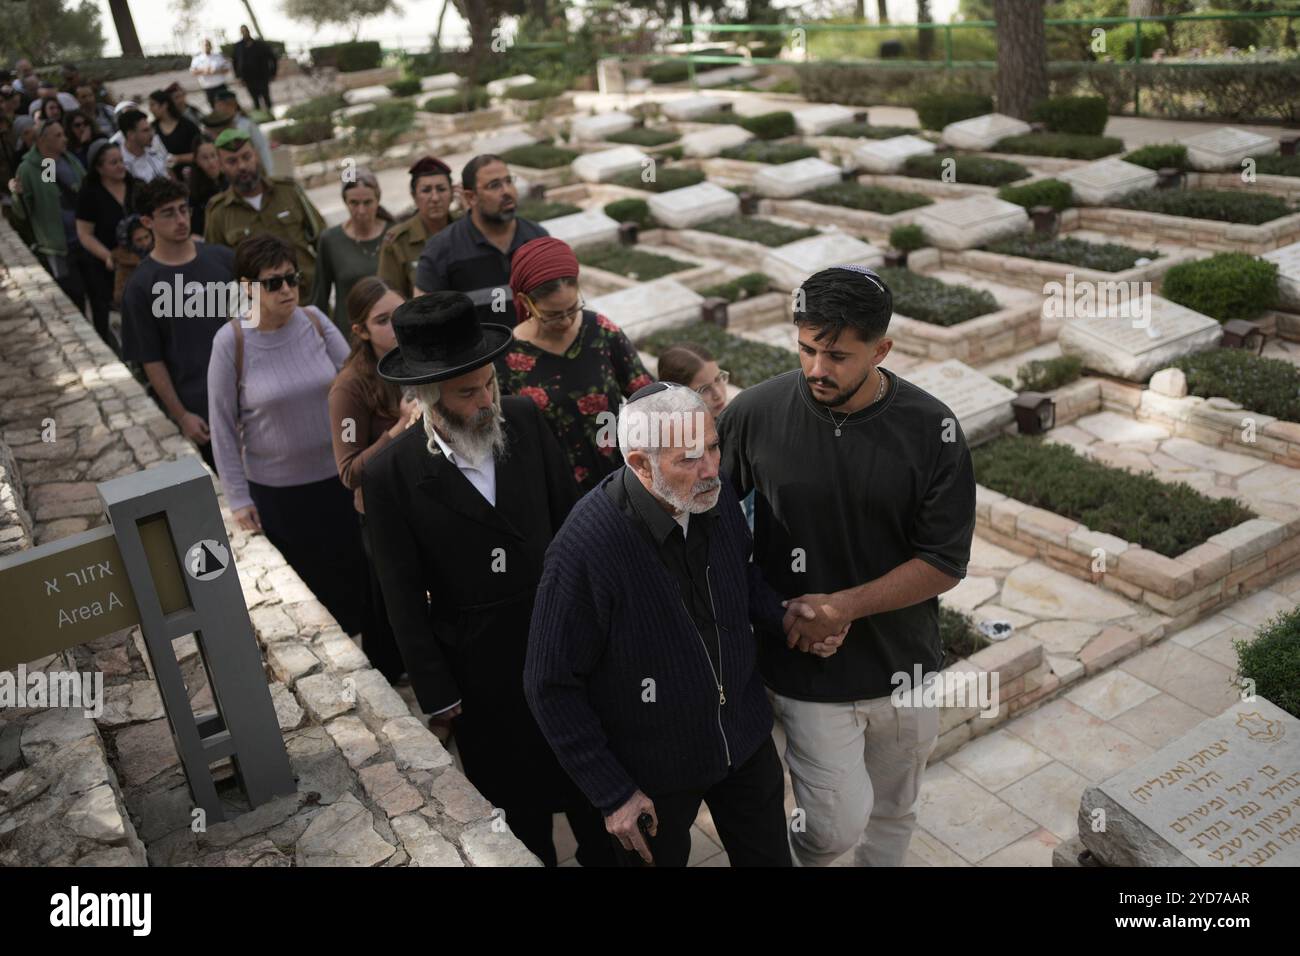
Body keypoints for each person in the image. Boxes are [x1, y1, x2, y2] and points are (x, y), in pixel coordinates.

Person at [717, 265, 977, 867]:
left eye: (835, 355)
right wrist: (774, 610)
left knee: (895, 811)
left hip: (903, 667)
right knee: (832, 828)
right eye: (806, 349)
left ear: (881, 349)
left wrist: (844, 606)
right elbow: (714, 533)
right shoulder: (754, 414)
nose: (815, 368)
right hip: (805, 672)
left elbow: (943, 561)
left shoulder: (931, 429)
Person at [525, 383, 844, 867]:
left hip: (743, 736)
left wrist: (784, 616)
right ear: (639, 463)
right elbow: (548, 684)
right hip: (651, 772)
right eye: (689, 458)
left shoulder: (711, 494)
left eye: (714, 447)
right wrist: (612, 792)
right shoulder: (585, 548)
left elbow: (741, 576)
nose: (712, 469)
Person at [361, 291, 614, 868]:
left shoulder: (523, 417)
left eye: (488, 384)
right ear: (429, 396)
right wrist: (437, 690)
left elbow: (574, 522)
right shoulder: (389, 474)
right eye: (467, 393)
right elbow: (399, 595)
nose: (485, 401)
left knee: (594, 794)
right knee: (518, 812)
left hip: (561, 640)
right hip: (480, 669)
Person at [207, 234, 369, 638]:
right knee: (311, 589)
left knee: (360, 574)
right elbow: (223, 427)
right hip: (280, 494)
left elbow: (356, 382)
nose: (287, 289)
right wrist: (238, 498)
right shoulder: (232, 342)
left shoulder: (315, 320)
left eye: (292, 278)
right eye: (273, 282)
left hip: (341, 479)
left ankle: (379, 662)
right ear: (247, 288)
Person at [495, 236, 653, 492]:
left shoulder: (601, 331)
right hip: (555, 491)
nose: (567, 321)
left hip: (623, 482)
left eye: (573, 308)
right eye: (553, 315)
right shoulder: (506, 359)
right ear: (526, 302)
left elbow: (646, 395)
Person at [327, 276, 420, 683]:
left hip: (427, 502)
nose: (397, 326)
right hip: (384, 515)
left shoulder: (417, 357)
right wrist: (399, 428)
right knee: (399, 610)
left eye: (401, 314)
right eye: (383, 320)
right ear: (360, 331)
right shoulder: (348, 389)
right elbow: (349, 471)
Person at [121, 177, 232, 471]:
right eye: (169, 213)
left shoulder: (222, 259)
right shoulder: (141, 286)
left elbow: (254, 325)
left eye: (184, 209)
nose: (181, 219)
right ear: (147, 221)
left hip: (251, 395)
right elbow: (151, 359)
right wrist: (181, 415)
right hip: (201, 408)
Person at [413, 154, 548, 321]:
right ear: (471, 197)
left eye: (508, 181)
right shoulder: (441, 250)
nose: (506, 191)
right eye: (494, 185)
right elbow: (424, 319)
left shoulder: (538, 239)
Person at [204, 127, 323, 305]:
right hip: (262, 312)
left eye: (246, 157)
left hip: (310, 298)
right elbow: (218, 270)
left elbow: (321, 238)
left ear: (257, 156)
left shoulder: (289, 191)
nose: (242, 166)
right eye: (232, 161)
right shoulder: (219, 213)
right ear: (221, 166)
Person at [655, 343, 753, 526]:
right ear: (678, 396)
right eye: (704, 389)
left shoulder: (735, 422)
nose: (718, 394)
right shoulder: (674, 448)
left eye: (719, 379)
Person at [13, 119, 85, 309]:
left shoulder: (68, 159)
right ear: (43, 140)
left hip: (84, 239)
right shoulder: (31, 168)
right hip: (59, 247)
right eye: (58, 135)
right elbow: (24, 211)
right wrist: (17, 194)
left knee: (96, 293)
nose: (65, 139)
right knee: (73, 295)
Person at [311, 168, 393, 332]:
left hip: (391, 330)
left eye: (367, 202)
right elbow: (320, 296)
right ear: (345, 202)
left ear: (377, 200)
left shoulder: (394, 235)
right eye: (354, 203)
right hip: (350, 334)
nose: (361, 210)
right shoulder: (330, 240)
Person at [74, 140, 136, 353]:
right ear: (99, 168)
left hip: (137, 262)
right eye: (113, 163)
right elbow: (84, 234)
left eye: (121, 161)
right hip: (104, 265)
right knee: (107, 314)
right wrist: (108, 256)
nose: (120, 166)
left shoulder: (135, 186)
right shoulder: (89, 195)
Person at [377, 156, 455, 299]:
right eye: (426, 190)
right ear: (414, 196)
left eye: (441, 189)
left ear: (452, 194)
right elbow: (390, 296)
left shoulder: (466, 229)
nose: (435, 198)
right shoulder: (398, 241)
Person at [202, 88, 272, 173]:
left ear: (233, 105)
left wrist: (269, 171)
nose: (219, 108)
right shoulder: (212, 125)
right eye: (217, 105)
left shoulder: (246, 123)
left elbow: (262, 147)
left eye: (222, 105)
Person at [147, 89, 200, 178]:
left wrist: (179, 158)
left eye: (153, 105)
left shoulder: (187, 126)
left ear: (164, 105)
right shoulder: (152, 129)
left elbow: (200, 152)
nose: (150, 109)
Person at [184, 134, 225, 236]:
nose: (211, 162)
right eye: (205, 158)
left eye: (213, 155)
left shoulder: (229, 181)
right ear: (197, 161)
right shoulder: (195, 192)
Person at [232, 25, 278, 113]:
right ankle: (260, 115)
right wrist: (238, 77)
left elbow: (272, 58)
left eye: (246, 31)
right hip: (248, 78)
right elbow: (235, 62)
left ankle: (271, 114)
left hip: (262, 76)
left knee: (266, 97)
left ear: (249, 31)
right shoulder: (238, 46)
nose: (245, 33)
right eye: (243, 31)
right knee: (255, 99)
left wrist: (273, 73)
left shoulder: (260, 44)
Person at [116, 109, 168, 183]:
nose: (151, 134)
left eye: (150, 129)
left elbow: (169, 173)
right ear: (131, 135)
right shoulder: (120, 163)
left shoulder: (155, 143)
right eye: (145, 130)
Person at [112, 213, 151, 311]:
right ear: (129, 242)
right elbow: (120, 296)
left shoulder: (160, 253)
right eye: (139, 240)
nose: (145, 243)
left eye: (147, 237)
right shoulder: (125, 263)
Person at [190, 39, 232, 108]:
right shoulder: (197, 59)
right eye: (205, 45)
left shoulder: (218, 56)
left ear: (211, 46)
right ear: (201, 47)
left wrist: (216, 71)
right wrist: (204, 71)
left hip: (221, 86)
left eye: (208, 45)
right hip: (208, 88)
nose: (207, 47)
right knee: (215, 107)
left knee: (228, 105)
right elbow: (192, 72)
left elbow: (227, 69)